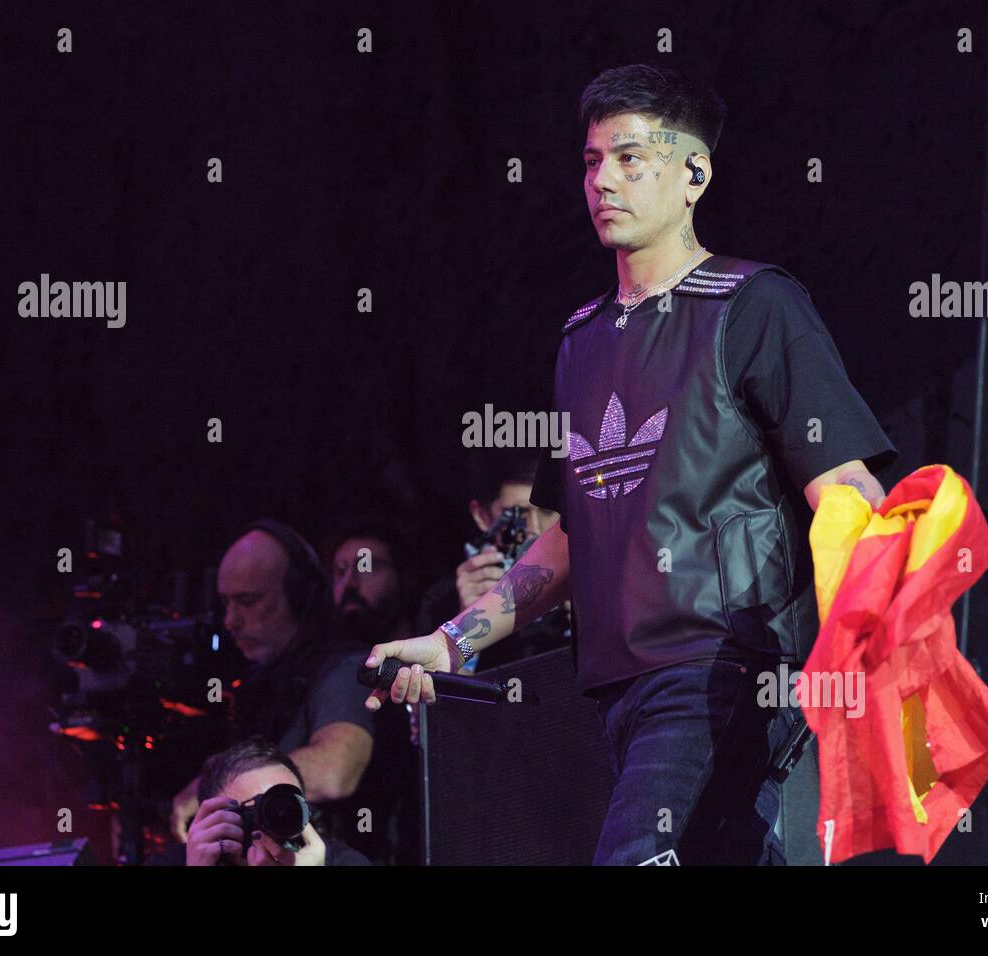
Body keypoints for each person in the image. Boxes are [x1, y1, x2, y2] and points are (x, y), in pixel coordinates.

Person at [362, 63, 899, 866]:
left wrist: (887, 602)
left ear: (694, 175)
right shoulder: (581, 339)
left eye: (630, 158)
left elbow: (845, 487)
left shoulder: (755, 306)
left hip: (722, 668)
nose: (603, 180)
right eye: (591, 161)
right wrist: (453, 641)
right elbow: (571, 540)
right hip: (617, 688)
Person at [167, 520, 375, 843]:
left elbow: (336, 770)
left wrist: (219, 785)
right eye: (226, 603)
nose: (230, 621)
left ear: (299, 596)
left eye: (248, 601)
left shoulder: (345, 669)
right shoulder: (257, 684)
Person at [323, 516, 422, 864]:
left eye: (367, 566)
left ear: (404, 579)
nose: (349, 582)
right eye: (339, 570)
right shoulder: (327, 675)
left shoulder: (437, 661)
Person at [415, 448, 566, 671]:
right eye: (518, 515)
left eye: (547, 512)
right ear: (482, 516)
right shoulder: (443, 602)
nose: (535, 530)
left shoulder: (586, 585)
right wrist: (466, 623)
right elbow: (438, 703)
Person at [145, 737, 370, 866]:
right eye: (253, 812)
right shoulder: (176, 862)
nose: (272, 822)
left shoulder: (343, 861)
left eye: (284, 806)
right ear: (211, 823)